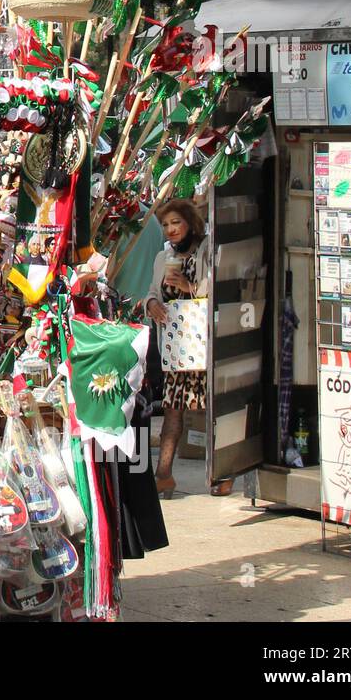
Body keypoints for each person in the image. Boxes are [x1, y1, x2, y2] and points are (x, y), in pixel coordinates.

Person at [144, 198, 218, 498]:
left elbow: (217, 286)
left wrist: (191, 288)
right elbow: (151, 292)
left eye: (176, 222)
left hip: (204, 343)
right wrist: (152, 305)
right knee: (173, 408)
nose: (171, 229)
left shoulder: (206, 250)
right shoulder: (163, 258)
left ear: (190, 222)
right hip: (176, 343)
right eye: (166, 224)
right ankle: (164, 474)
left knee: (210, 409)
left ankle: (220, 472)